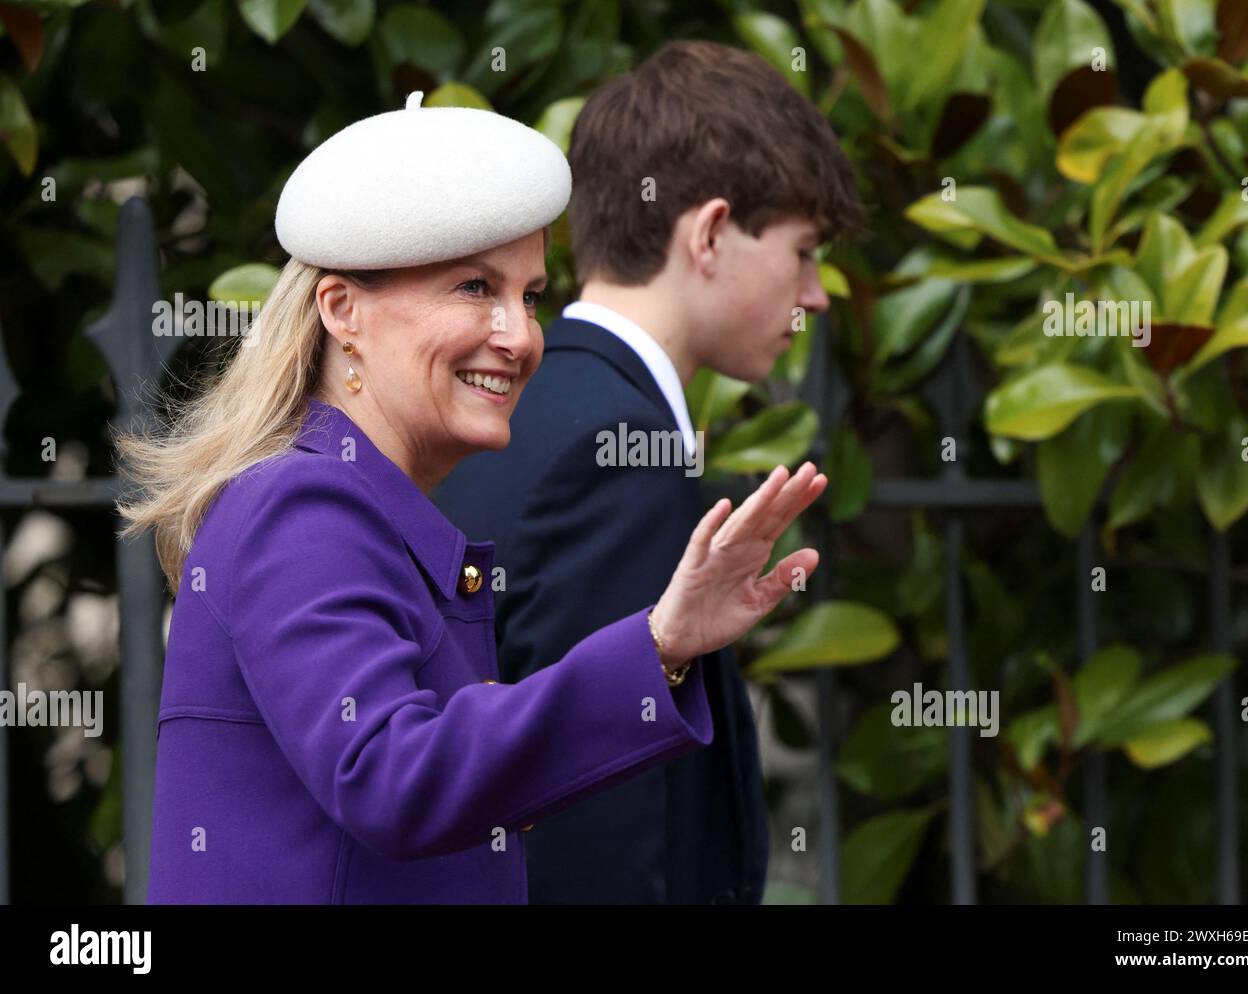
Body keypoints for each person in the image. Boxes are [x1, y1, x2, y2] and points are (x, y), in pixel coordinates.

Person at [113, 96, 827, 904]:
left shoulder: (354, 510)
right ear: (342, 311)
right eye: (473, 288)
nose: (519, 336)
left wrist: (661, 649)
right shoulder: (302, 506)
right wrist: (655, 644)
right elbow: (390, 774)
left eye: (528, 296)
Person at [435, 41, 863, 904]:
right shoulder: (616, 449)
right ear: (708, 233)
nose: (816, 293)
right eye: (804, 250)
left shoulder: (527, 410)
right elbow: (598, 821)